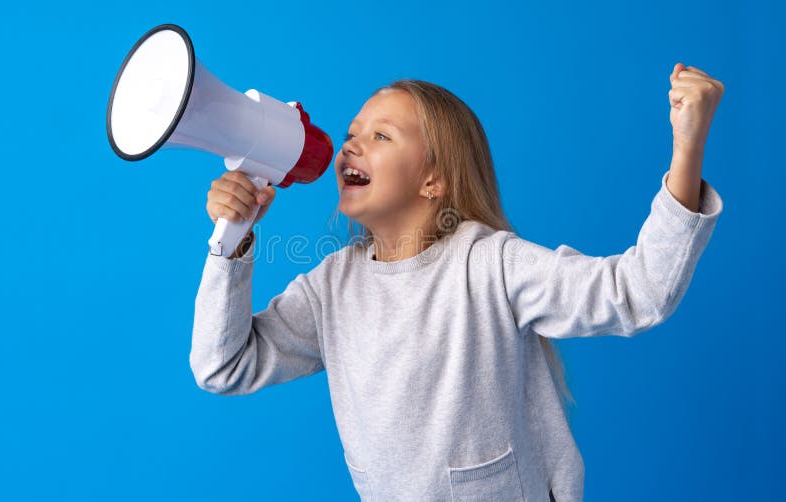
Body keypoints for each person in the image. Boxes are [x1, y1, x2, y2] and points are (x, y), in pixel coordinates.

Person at [190, 64, 724, 502]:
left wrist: (687, 148)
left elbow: (640, 290)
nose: (350, 146)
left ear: (434, 180)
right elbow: (223, 366)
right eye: (352, 133)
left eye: (380, 135)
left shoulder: (489, 265)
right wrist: (231, 240)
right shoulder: (331, 288)